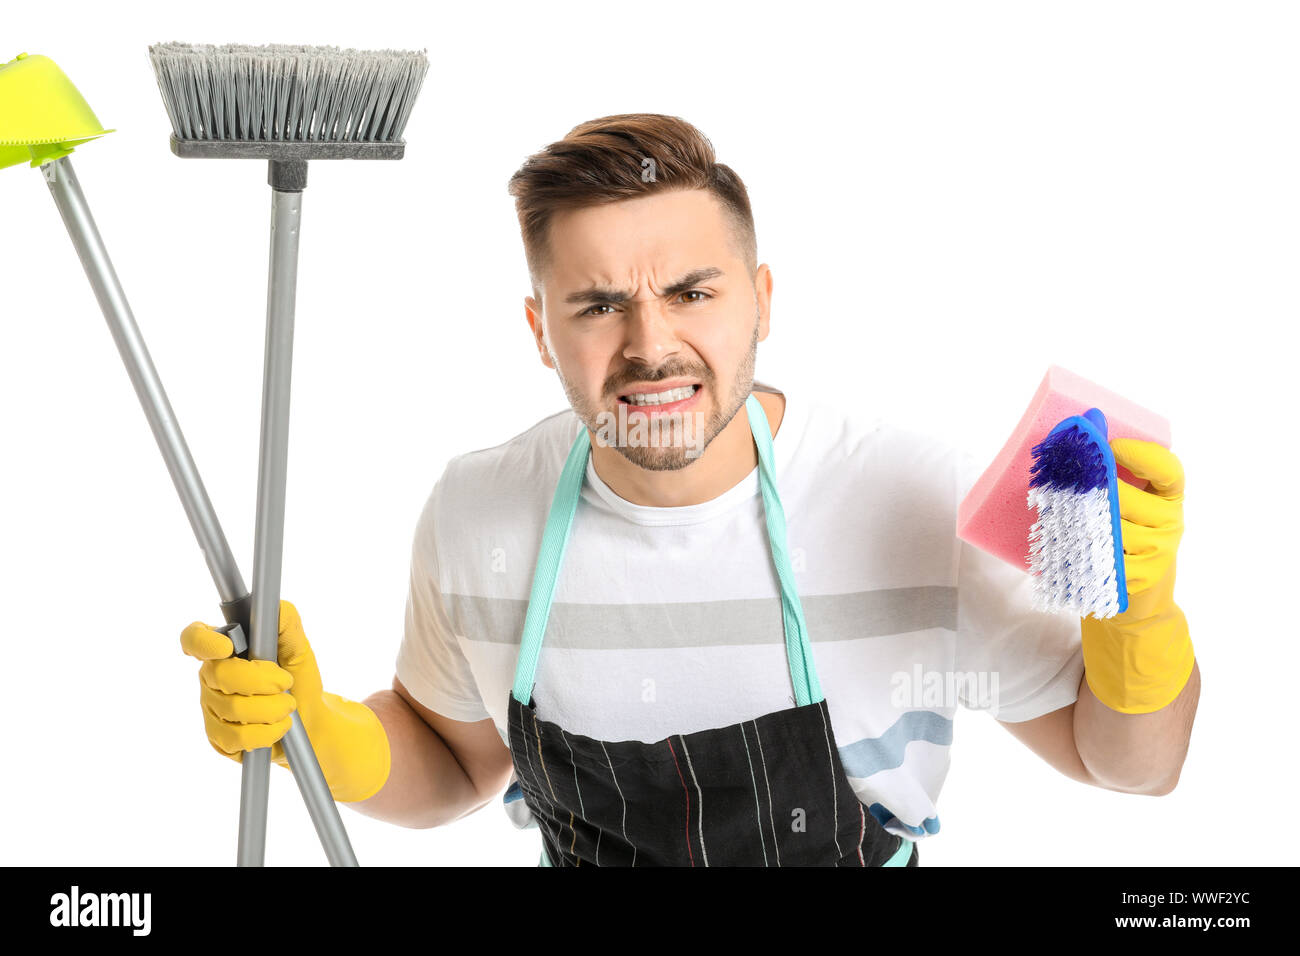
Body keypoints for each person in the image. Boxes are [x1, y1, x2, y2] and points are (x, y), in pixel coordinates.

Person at [181, 114, 1200, 867]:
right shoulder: (479, 511)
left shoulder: (907, 497)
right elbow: (451, 764)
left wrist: (1137, 619)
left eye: (691, 292)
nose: (650, 343)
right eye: (597, 304)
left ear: (760, 298)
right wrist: (317, 729)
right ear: (540, 328)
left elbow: (1129, 767)